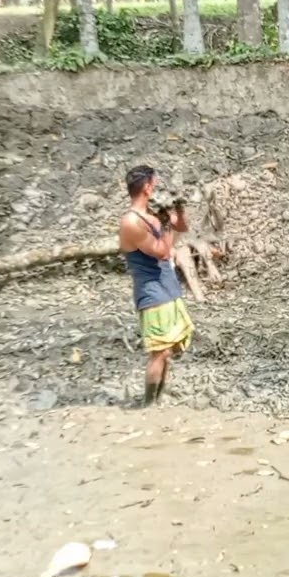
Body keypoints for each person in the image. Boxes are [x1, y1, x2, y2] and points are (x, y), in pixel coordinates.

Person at [118, 165, 193, 407]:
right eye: (154, 183)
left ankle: (157, 399)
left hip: (167, 288)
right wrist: (167, 225)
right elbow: (162, 251)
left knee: (168, 351)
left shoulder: (149, 216)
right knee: (158, 352)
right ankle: (148, 404)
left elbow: (182, 227)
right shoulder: (131, 222)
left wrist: (178, 211)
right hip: (152, 292)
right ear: (148, 186)